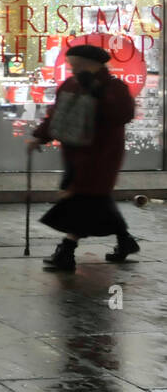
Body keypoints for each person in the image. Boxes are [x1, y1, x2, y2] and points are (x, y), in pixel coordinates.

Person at [28, 43, 139, 269]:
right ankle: (125, 241)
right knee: (96, 199)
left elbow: (122, 114)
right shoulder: (70, 84)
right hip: (74, 153)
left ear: (91, 64)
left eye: (74, 63)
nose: (71, 67)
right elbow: (57, 115)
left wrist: (97, 92)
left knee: (82, 199)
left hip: (101, 154)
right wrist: (40, 136)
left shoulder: (113, 87)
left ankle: (66, 252)